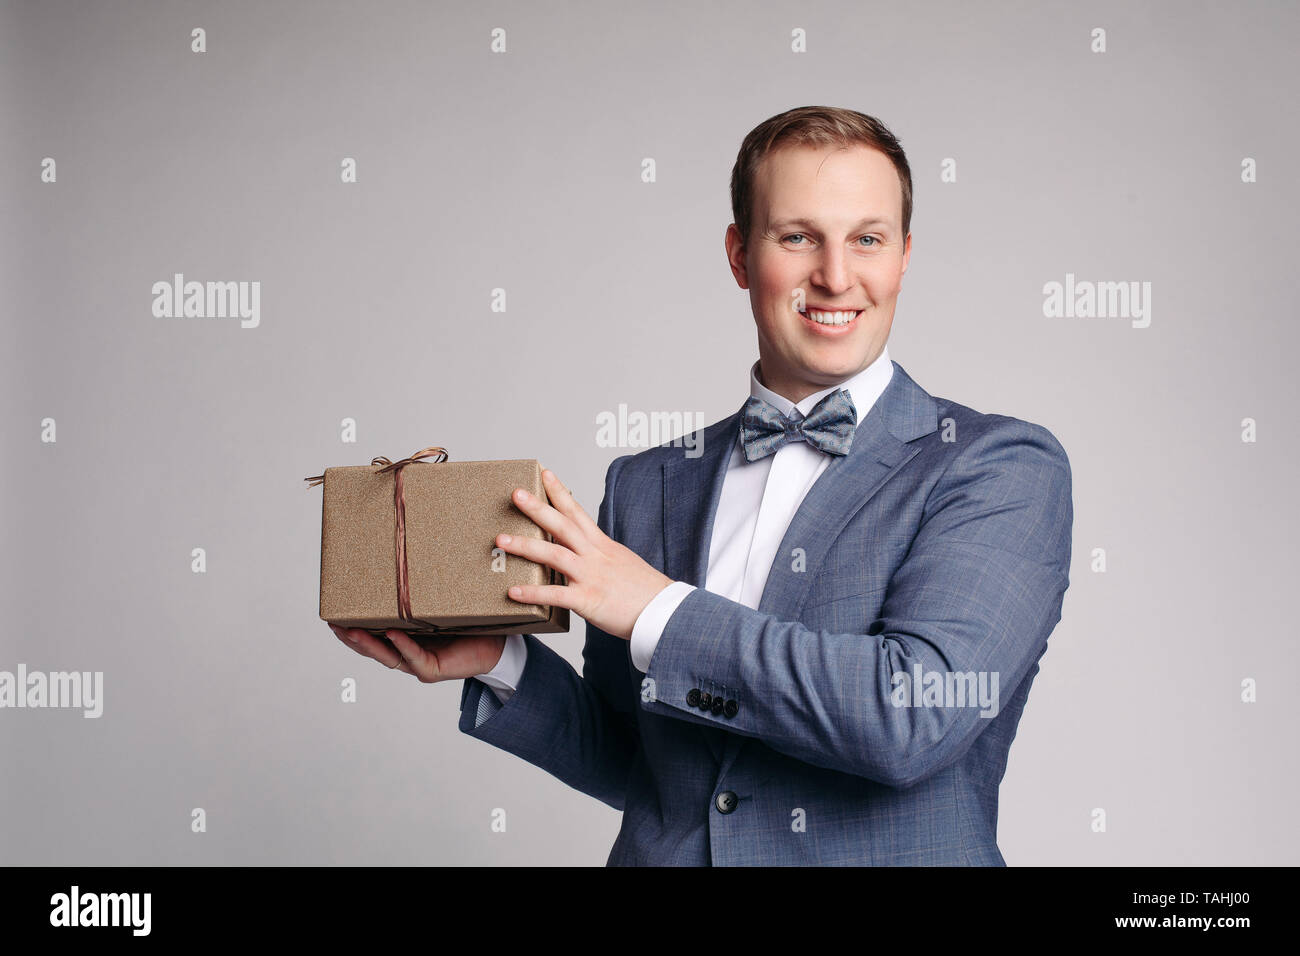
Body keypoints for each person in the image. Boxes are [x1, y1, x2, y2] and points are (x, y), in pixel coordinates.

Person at [330, 105, 1073, 866]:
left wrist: (655, 607)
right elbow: (647, 765)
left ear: (904, 257)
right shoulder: (647, 481)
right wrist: (500, 661)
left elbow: (912, 715)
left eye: (867, 240)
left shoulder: (999, 466)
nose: (836, 276)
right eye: (797, 237)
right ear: (740, 255)